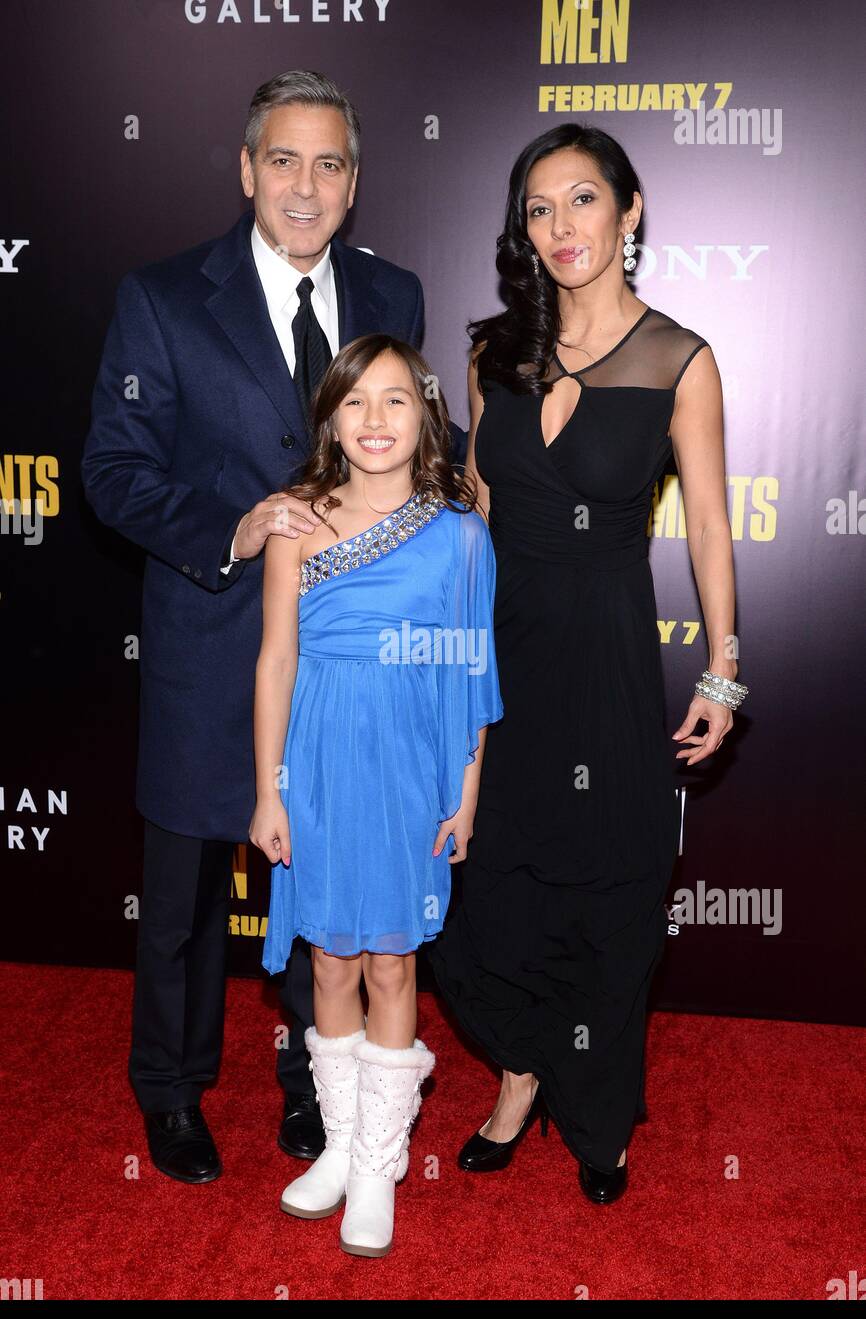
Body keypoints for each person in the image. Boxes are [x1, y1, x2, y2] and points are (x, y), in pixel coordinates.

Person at [80, 69, 467, 1185]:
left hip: (357, 663)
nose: (306, 186)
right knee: (190, 896)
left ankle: (319, 1083)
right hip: (215, 641)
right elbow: (111, 469)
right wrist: (235, 527)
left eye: (330, 163)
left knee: (336, 877)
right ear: (247, 170)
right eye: (284, 161)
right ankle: (172, 1089)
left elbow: (411, 452)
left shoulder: (393, 290)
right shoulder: (161, 296)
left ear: (354, 181)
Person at [429, 123, 748, 1205]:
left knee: (612, 896)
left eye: (579, 201)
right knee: (488, 888)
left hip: (607, 663)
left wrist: (720, 667)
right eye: (536, 209)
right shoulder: (491, 357)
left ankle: (596, 1110)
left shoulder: (678, 361)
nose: (558, 226)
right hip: (498, 663)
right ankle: (519, 1071)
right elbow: (472, 516)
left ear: (629, 210)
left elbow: (706, 522)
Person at [250, 334, 504, 1257]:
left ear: (425, 416)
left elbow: (471, 677)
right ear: (331, 419)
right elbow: (276, 661)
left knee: (394, 963)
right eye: (356, 403)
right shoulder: (295, 523)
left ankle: (379, 1162)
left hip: (408, 767)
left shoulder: (461, 534)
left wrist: (465, 794)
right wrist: (267, 790)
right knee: (326, 962)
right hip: (315, 760)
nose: (376, 421)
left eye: (396, 401)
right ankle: (344, 1146)